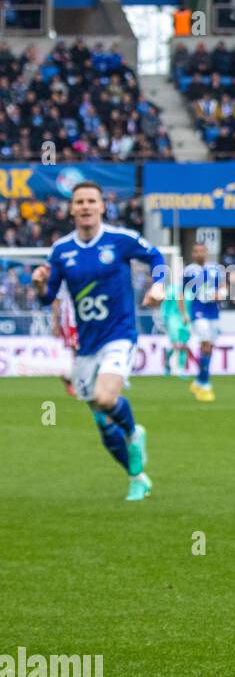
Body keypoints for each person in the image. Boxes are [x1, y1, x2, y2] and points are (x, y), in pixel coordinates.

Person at [32, 181, 165, 500]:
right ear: (72, 209)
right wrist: (39, 285)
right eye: (79, 202)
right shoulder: (61, 250)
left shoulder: (120, 240)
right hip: (85, 344)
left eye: (92, 201)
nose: (86, 206)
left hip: (119, 334)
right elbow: (48, 296)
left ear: (102, 206)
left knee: (106, 399)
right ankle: (137, 477)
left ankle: (134, 432)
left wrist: (158, 284)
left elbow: (156, 256)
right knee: (102, 421)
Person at [184, 242, 224, 402]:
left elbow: (222, 287)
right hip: (198, 312)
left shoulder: (215, 269)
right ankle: (205, 385)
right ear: (193, 254)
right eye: (196, 251)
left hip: (213, 312)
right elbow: (180, 293)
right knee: (206, 345)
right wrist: (184, 313)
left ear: (206, 252)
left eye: (201, 250)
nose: (199, 253)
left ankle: (199, 381)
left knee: (209, 348)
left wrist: (221, 294)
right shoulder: (188, 271)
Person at [159, 277, 190, 377]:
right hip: (173, 319)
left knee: (184, 344)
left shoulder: (191, 292)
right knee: (176, 343)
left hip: (185, 320)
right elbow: (165, 305)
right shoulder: (171, 290)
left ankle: (181, 369)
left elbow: (191, 307)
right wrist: (164, 318)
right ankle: (167, 364)